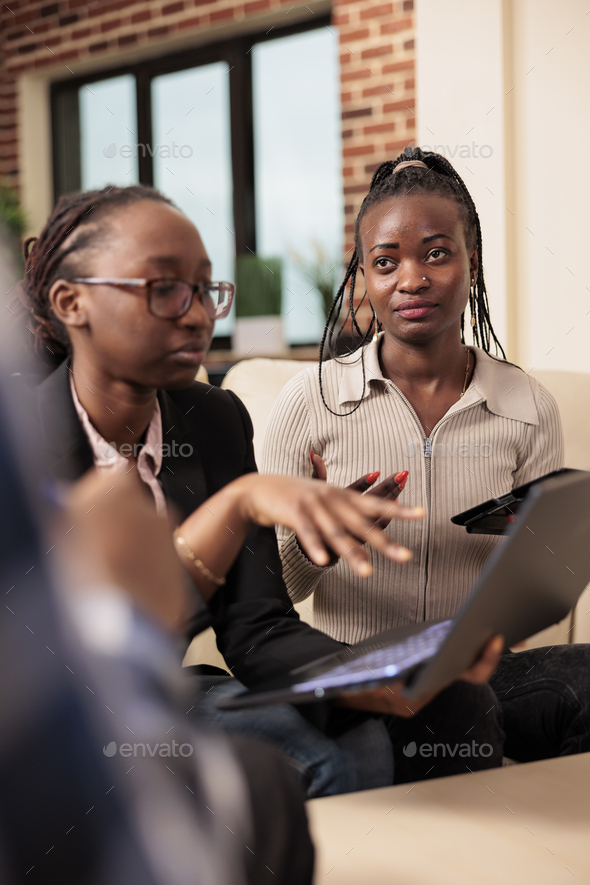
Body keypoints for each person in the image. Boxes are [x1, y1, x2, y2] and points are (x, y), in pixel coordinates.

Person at [17, 183, 503, 793]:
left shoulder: (213, 420)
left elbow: (256, 625)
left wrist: (359, 674)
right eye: (164, 288)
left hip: (174, 688)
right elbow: (70, 655)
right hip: (57, 710)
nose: (196, 314)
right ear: (71, 303)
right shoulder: (19, 446)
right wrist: (237, 503)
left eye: (203, 289)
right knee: (335, 758)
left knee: (417, 717)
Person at [262, 146, 590, 781]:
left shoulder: (525, 405)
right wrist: (317, 545)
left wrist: (538, 549)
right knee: (456, 707)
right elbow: (269, 596)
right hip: (357, 674)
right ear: (364, 276)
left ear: (472, 264)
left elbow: (550, 590)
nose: (410, 279)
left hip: (485, 666)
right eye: (385, 263)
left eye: (436, 253)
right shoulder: (312, 403)